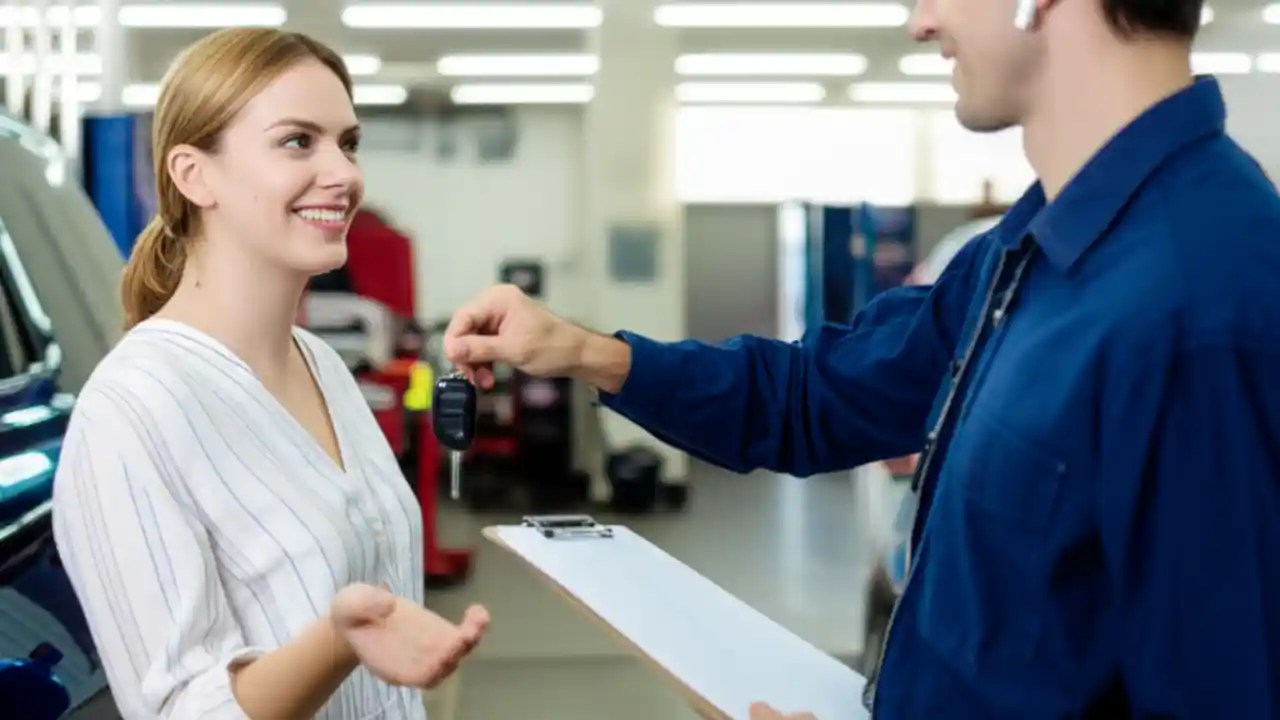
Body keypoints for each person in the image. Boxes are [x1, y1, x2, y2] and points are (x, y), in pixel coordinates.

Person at [443, 0, 1280, 715]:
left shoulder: (1210, 302)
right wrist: (585, 352)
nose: (921, 22)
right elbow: (813, 397)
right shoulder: (1014, 259)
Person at [51, 27, 489, 719]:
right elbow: (177, 711)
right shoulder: (133, 410)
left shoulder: (321, 366)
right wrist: (335, 641)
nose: (344, 174)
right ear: (193, 175)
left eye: (347, 143)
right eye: (297, 141)